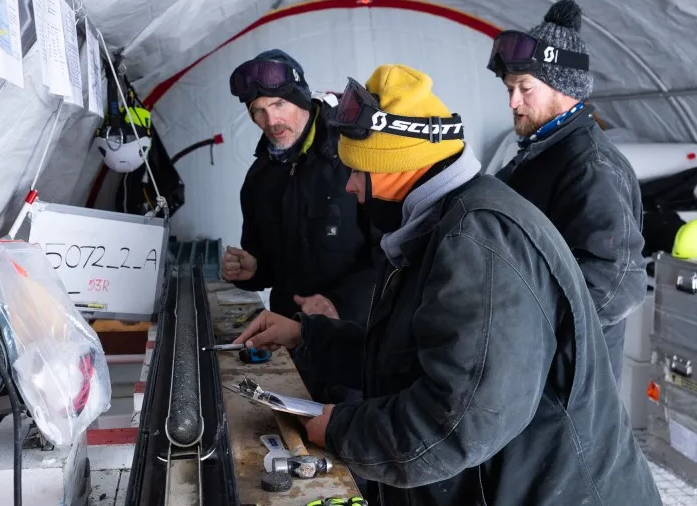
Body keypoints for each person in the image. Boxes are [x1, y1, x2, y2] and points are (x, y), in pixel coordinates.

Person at [233, 64, 661, 505]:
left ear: (395, 168)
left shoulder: (476, 242)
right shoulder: (439, 224)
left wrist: (343, 429)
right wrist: (308, 335)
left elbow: (459, 420)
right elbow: (414, 356)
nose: (350, 187)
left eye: (357, 172)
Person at [488, 0, 646, 386]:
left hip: (568, 385)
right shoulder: (539, 154)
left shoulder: (590, 166)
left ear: (564, 87)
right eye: (510, 89)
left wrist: (529, 322)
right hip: (533, 368)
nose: (513, 102)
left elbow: (617, 284)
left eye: (525, 88)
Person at [223, 49, 378, 402]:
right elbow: (266, 264)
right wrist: (252, 269)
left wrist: (340, 303)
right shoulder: (259, 179)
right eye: (258, 111)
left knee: (350, 441)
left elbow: (394, 253)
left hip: (357, 343)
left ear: (302, 97)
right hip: (292, 346)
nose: (270, 120)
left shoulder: (352, 157)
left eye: (278, 105)